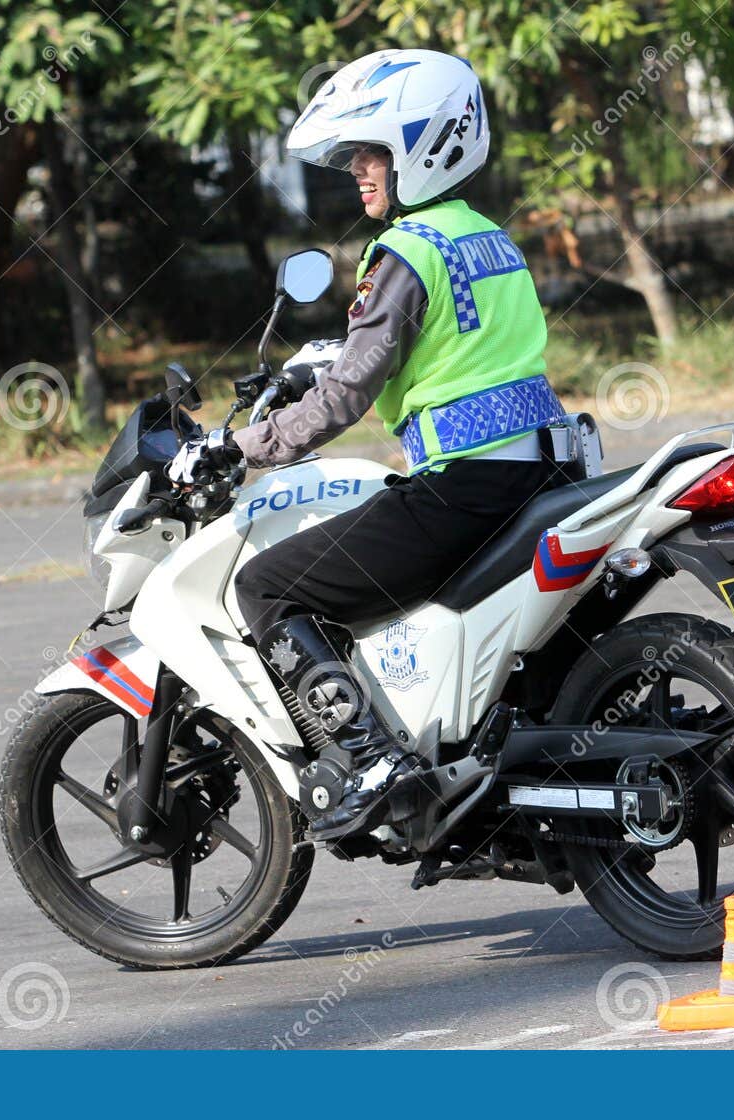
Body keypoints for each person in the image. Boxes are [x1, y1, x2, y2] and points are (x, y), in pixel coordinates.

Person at [166, 48, 568, 837]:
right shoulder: (489, 238)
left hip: (464, 491)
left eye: (371, 152)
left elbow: (345, 395)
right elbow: (459, 349)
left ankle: (372, 756)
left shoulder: (405, 252)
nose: (357, 170)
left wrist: (242, 447)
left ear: (422, 145)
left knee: (271, 590)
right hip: (542, 474)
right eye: (353, 157)